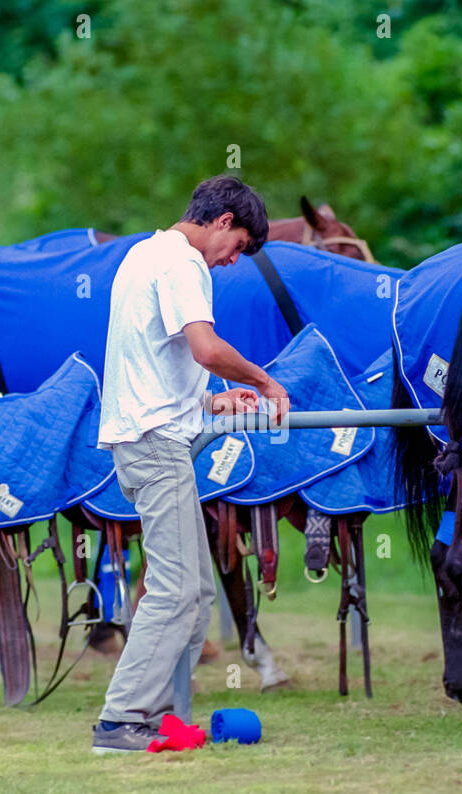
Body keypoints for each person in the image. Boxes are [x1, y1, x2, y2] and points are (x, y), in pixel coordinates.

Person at [92, 175, 290, 754]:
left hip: (144, 435)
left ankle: (144, 715)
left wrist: (208, 399)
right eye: (240, 247)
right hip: (156, 446)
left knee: (196, 591)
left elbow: (153, 362)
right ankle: (121, 719)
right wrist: (262, 379)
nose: (234, 262)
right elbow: (204, 347)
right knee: (177, 591)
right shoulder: (183, 263)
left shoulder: (142, 254)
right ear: (224, 221)